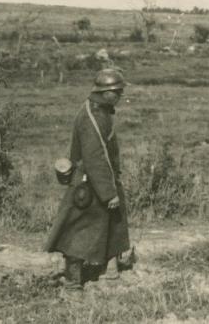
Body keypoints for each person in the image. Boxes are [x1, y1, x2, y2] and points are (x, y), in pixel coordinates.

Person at [45, 68, 133, 289]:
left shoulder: (98, 111)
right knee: (79, 230)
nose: (121, 96)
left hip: (94, 180)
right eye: (118, 91)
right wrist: (108, 193)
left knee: (106, 224)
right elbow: (95, 158)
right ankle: (73, 281)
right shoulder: (92, 117)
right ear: (106, 92)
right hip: (89, 182)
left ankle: (107, 270)